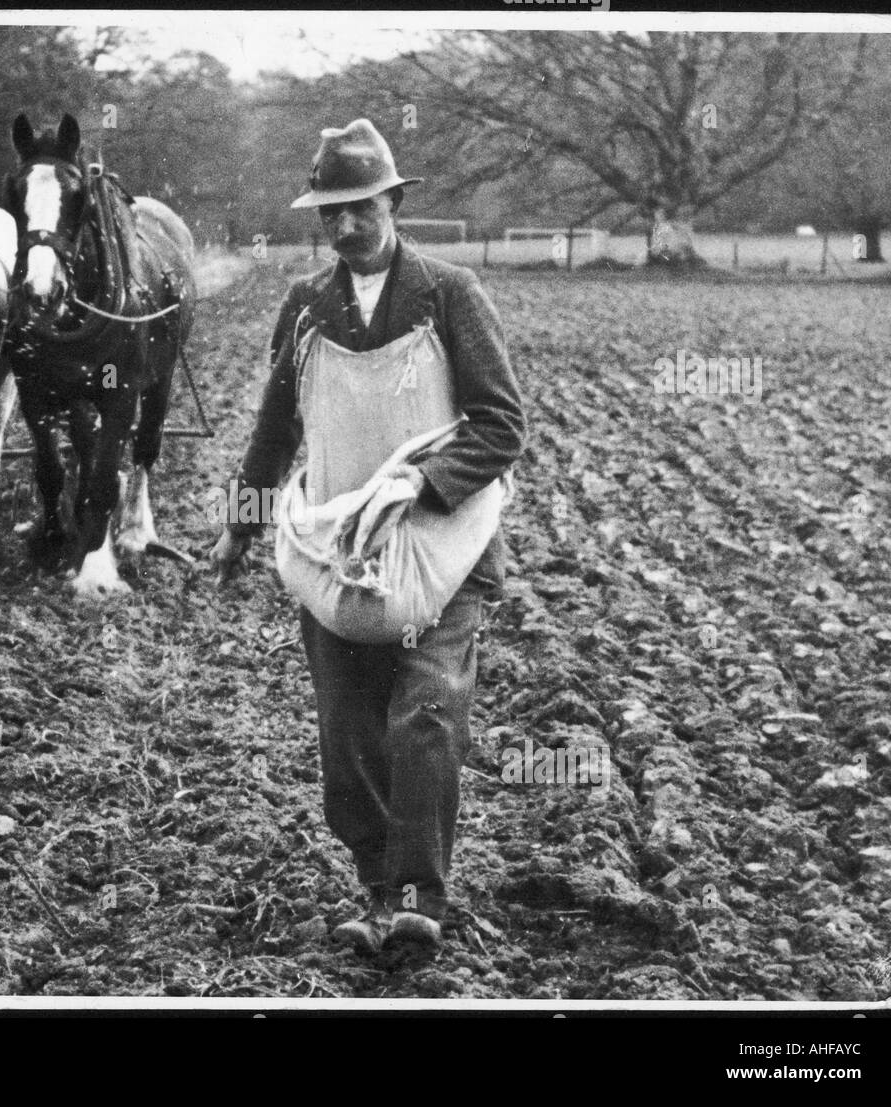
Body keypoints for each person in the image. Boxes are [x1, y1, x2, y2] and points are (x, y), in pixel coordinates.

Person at [210, 119, 526, 954]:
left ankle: (421, 895)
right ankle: (377, 888)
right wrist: (243, 525)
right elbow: (276, 429)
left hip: (441, 548)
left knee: (423, 712)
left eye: (360, 207)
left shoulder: (450, 295)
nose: (346, 226)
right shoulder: (309, 305)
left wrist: (419, 483)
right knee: (347, 731)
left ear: (392, 201)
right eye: (330, 213)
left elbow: (501, 427)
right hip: (339, 551)